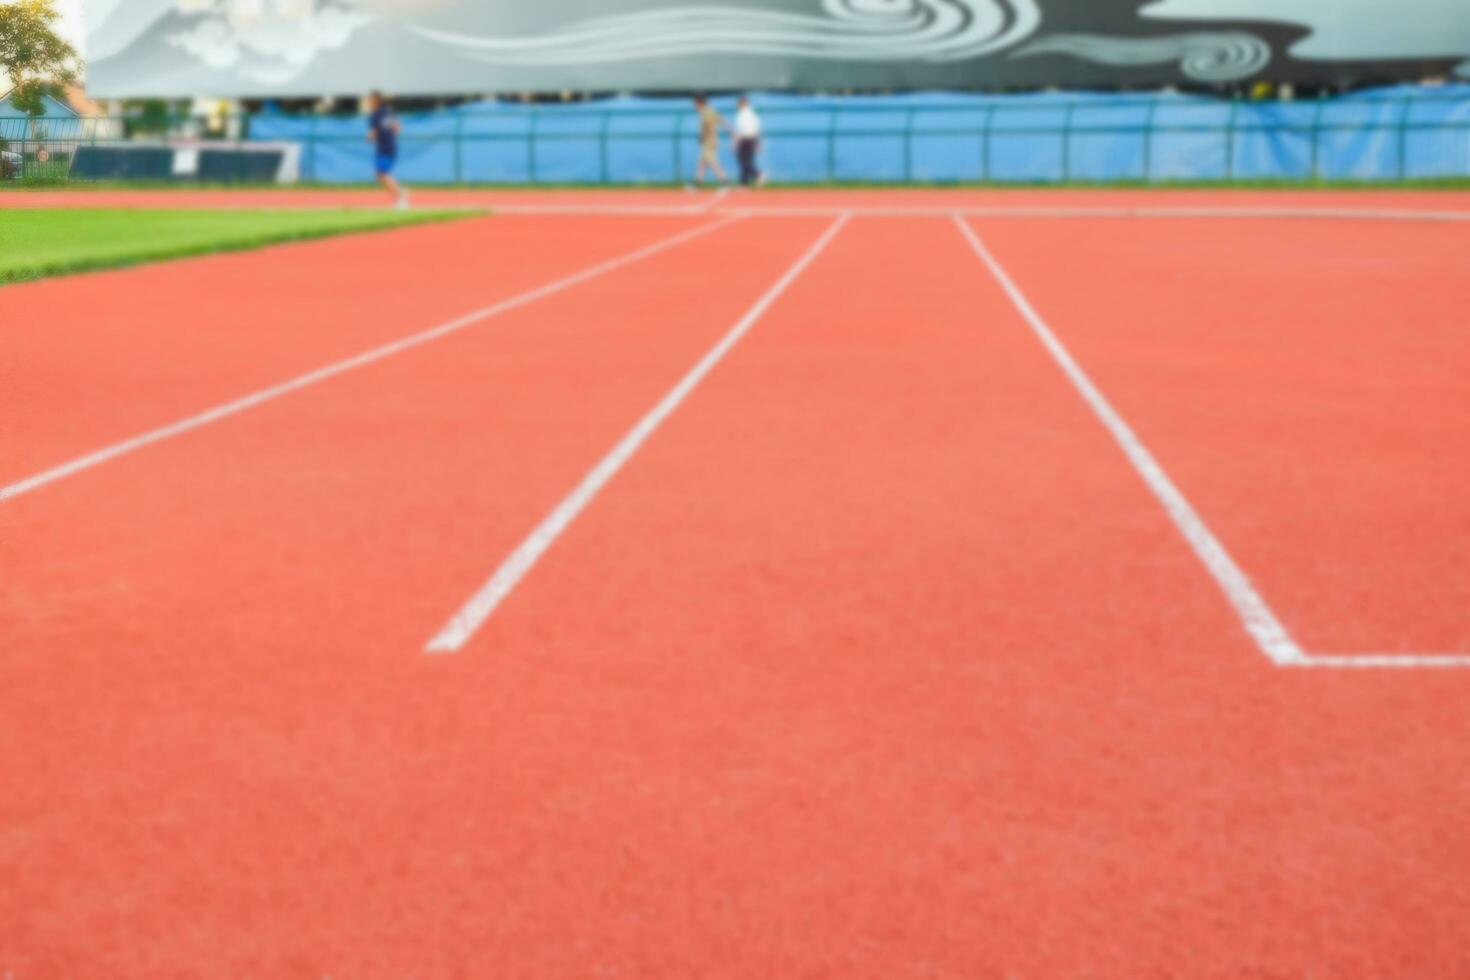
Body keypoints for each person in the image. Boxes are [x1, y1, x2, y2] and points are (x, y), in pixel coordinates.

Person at [366, 91, 408, 209]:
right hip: (391, 145)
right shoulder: (389, 111)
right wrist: (390, 134)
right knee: (379, 173)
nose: (368, 102)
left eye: (370, 100)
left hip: (384, 147)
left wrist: (369, 137)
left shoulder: (375, 115)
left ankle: (401, 196)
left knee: (382, 173)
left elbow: (372, 134)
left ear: (376, 101)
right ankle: (400, 192)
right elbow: (398, 127)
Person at [691, 95, 730, 188]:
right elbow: (721, 120)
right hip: (707, 140)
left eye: (695, 104)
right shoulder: (710, 110)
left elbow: (711, 126)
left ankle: (725, 180)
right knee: (702, 162)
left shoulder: (706, 112)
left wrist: (714, 138)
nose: (694, 107)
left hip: (709, 141)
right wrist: (730, 131)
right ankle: (696, 183)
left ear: (699, 103)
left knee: (712, 161)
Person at [733, 96, 765, 188]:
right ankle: (743, 183)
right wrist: (758, 143)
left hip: (744, 139)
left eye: (738, 104)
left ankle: (757, 174)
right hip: (752, 139)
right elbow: (757, 129)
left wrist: (735, 142)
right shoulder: (753, 114)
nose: (737, 106)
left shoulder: (741, 115)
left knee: (743, 161)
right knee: (747, 161)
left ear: (742, 104)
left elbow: (739, 130)